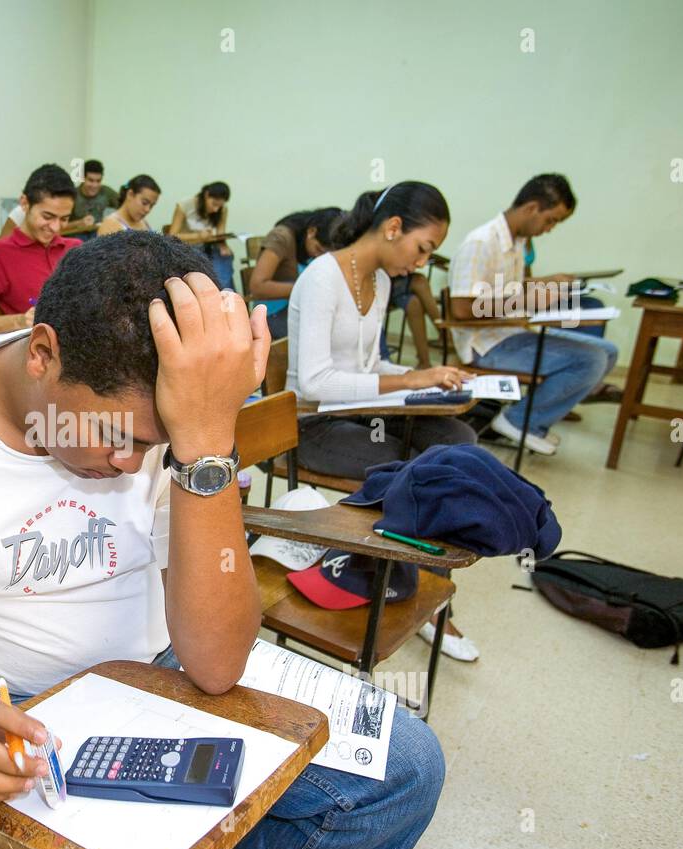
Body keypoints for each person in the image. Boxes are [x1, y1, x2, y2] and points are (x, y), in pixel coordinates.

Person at [0, 231, 446, 849]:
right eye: (116, 434)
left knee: (411, 769)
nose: (132, 464)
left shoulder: (180, 428)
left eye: (155, 445)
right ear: (42, 353)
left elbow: (216, 663)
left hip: (159, 675)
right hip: (16, 713)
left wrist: (203, 452)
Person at [289, 185, 481, 662]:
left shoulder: (382, 283)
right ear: (393, 227)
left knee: (458, 440)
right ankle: (405, 583)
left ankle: (401, 571)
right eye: (422, 249)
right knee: (414, 471)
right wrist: (411, 378)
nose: (419, 263)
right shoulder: (321, 278)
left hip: (358, 412)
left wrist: (433, 379)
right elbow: (315, 381)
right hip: (314, 424)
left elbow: (369, 365)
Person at [447, 173, 619, 456]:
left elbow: (508, 289)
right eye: (551, 220)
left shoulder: (517, 243)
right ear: (531, 208)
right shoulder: (481, 243)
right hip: (486, 344)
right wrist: (522, 300)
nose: (550, 229)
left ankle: (529, 415)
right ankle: (519, 421)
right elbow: (462, 308)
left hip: (513, 331)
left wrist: (547, 282)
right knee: (591, 360)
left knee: (608, 352)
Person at [0, 164, 80, 342]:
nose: (55, 227)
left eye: (64, 219)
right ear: (24, 203)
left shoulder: (75, 248)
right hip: (33, 351)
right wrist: (21, 320)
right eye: (47, 217)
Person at [249, 207, 341, 339]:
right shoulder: (281, 237)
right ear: (311, 232)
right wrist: (305, 288)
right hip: (272, 314)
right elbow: (257, 287)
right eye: (318, 249)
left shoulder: (307, 245)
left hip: (298, 308)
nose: (318, 256)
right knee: (319, 338)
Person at [168, 181, 234, 291]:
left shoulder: (222, 210)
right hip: (188, 247)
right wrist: (198, 236)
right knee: (201, 256)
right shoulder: (185, 205)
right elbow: (172, 236)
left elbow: (220, 234)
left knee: (225, 256)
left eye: (219, 206)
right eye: (214, 204)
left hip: (208, 246)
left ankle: (225, 291)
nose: (216, 209)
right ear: (206, 195)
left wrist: (223, 245)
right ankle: (220, 291)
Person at [95, 174, 160, 236]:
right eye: (144, 203)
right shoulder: (109, 225)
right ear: (130, 194)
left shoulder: (144, 223)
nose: (147, 209)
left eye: (152, 205)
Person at [70, 159, 118, 234]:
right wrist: (79, 223)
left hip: (99, 234)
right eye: (90, 180)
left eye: (98, 181)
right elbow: (60, 226)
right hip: (77, 236)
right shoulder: (72, 196)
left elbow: (124, 207)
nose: (95, 185)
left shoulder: (107, 192)